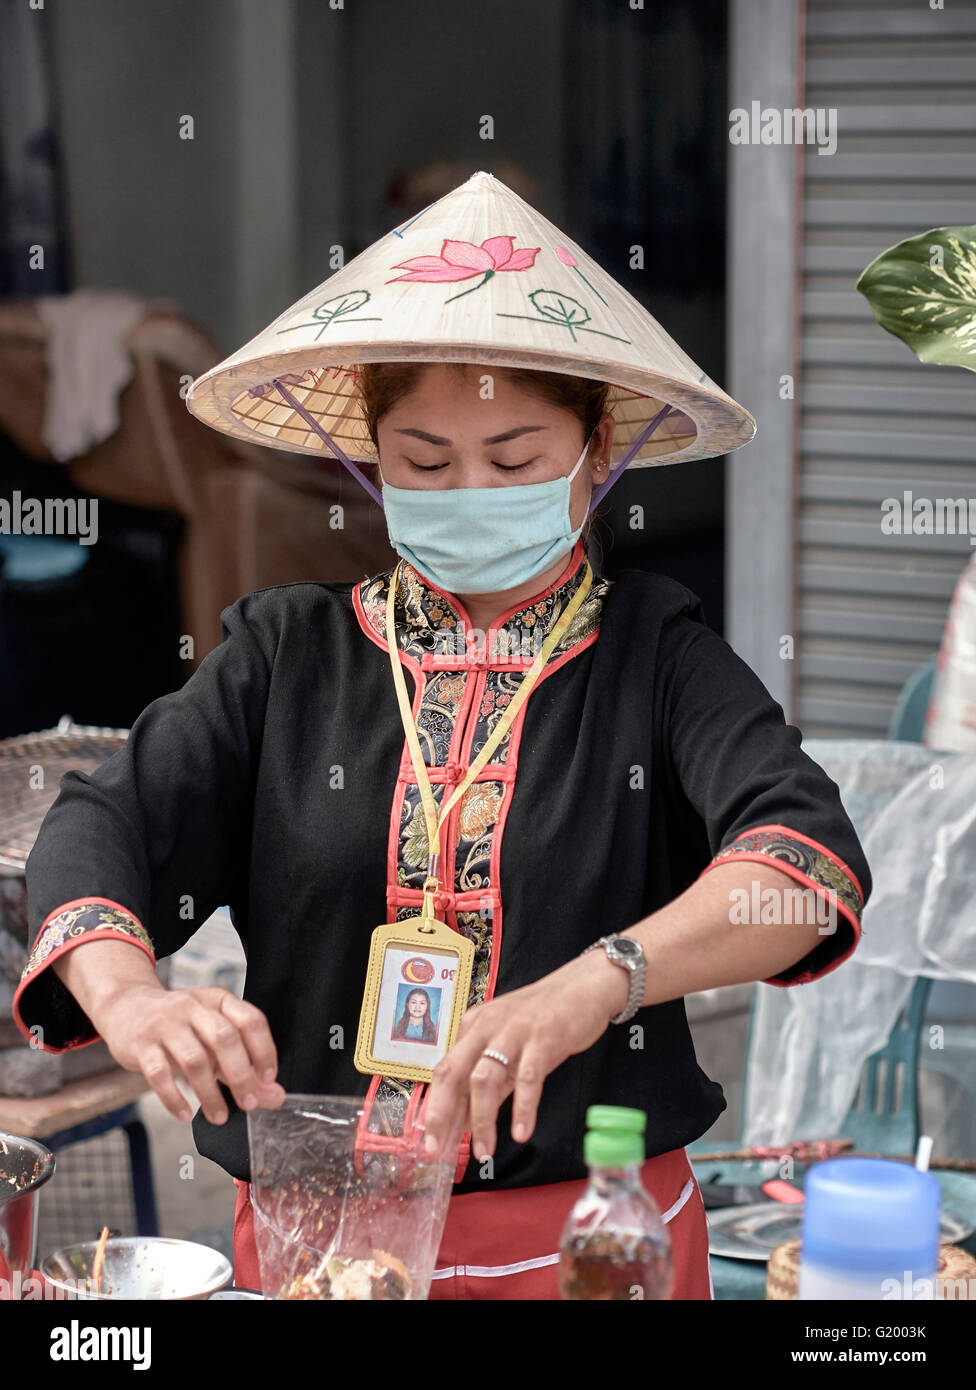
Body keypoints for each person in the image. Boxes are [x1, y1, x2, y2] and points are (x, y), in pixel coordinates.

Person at [14, 172, 871, 1300]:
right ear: (372, 462)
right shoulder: (286, 655)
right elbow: (105, 821)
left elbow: (801, 867)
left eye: (513, 461)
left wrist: (603, 979)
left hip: (593, 1247)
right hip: (314, 1248)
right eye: (423, 462)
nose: (468, 490)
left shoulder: (657, 657)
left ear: (594, 449)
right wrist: (133, 998)